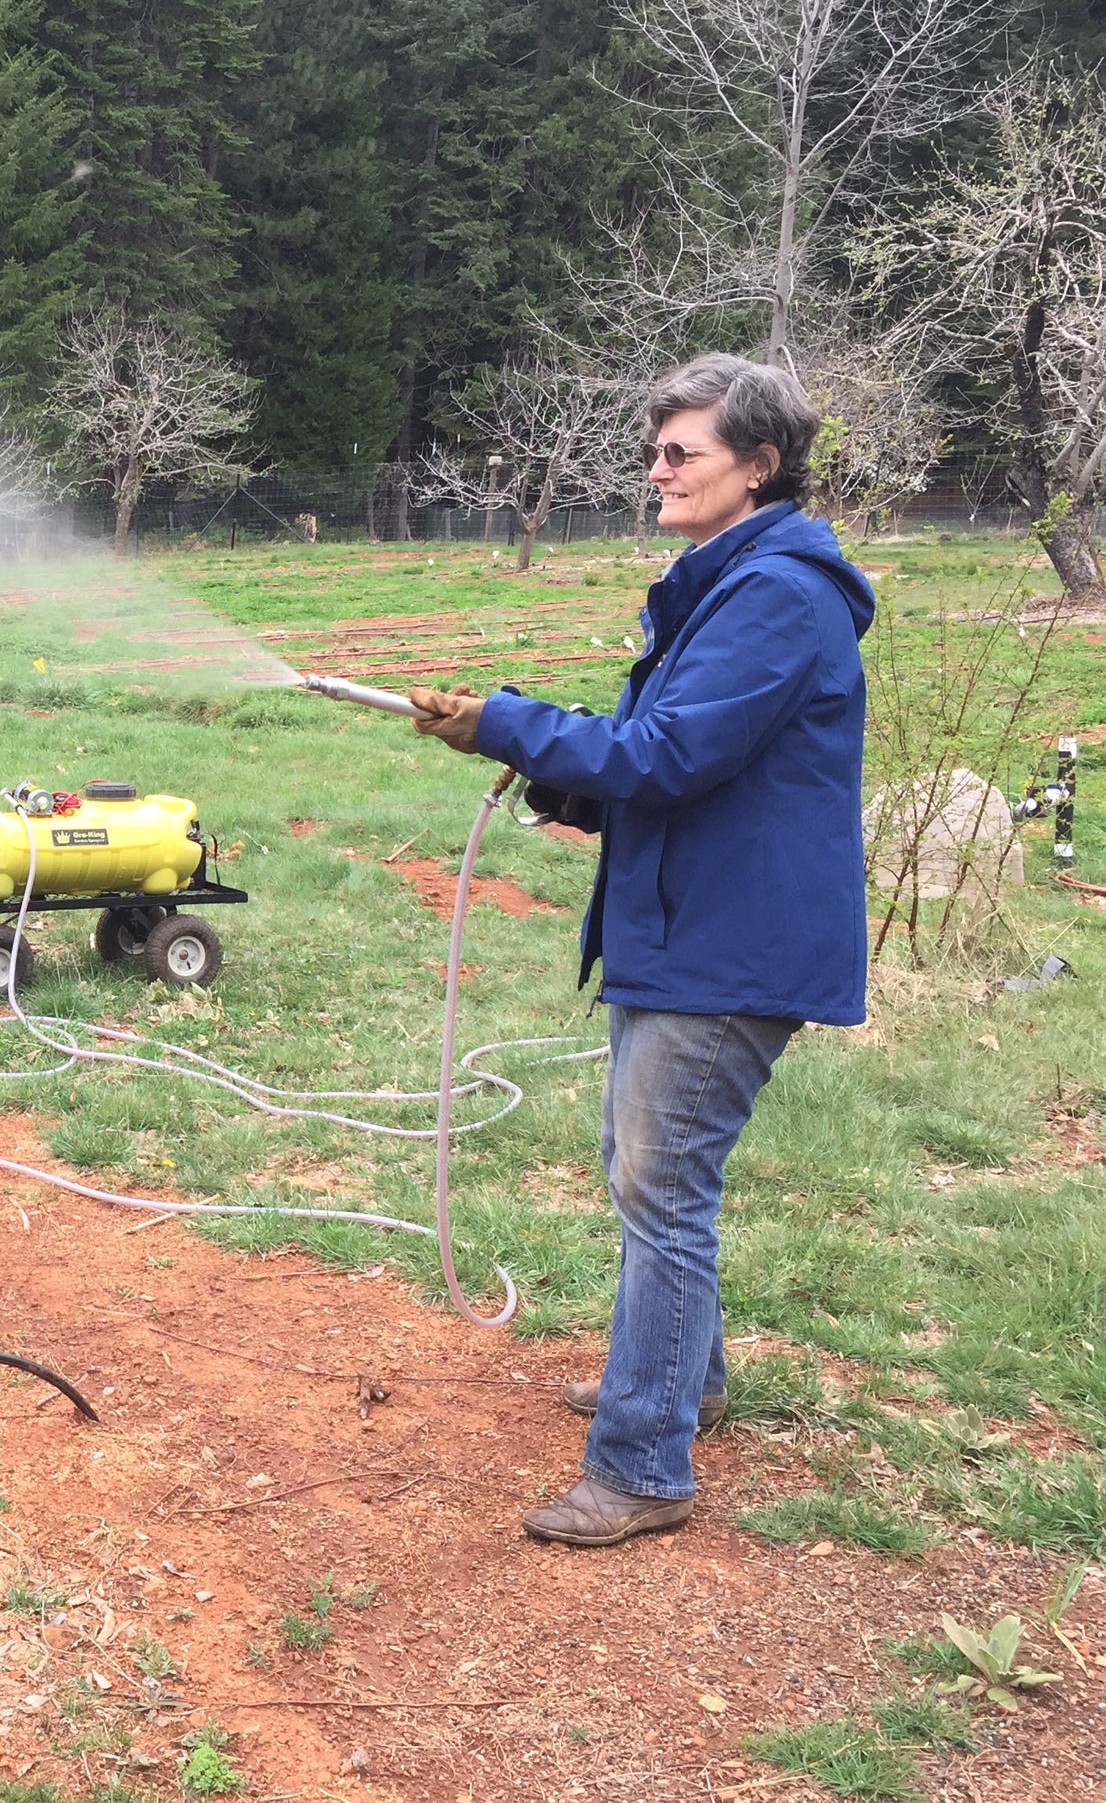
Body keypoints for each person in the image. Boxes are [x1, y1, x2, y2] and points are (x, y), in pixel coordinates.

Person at [405, 353, 875, 1547]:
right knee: (654, 1176)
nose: (656, 469)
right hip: (687, 929)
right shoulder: (722, 584)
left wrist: (509, 722)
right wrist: (546, 774)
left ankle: (642, 1464)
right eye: (654, 449)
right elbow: (671, 767)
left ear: (757, 465)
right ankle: (681, 1385)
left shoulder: (776, 594)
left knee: (660, 1188)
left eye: (683, 452)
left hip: (731, 943)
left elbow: (665, 755)